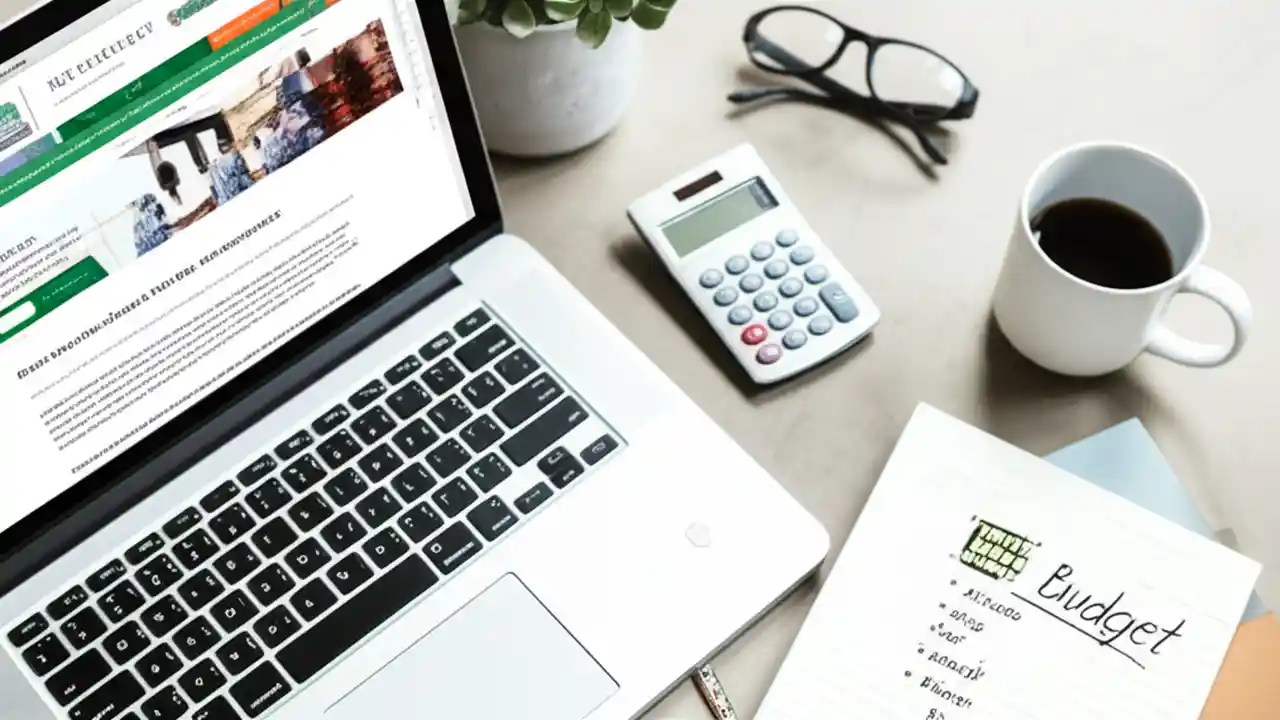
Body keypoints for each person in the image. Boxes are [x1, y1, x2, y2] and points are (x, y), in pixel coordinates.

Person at [209, 136, 252, 205]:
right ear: (232, 145)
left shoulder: (211, 169)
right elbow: (244, 174)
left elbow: (213, 190)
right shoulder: (234, 156)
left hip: (225, 201)